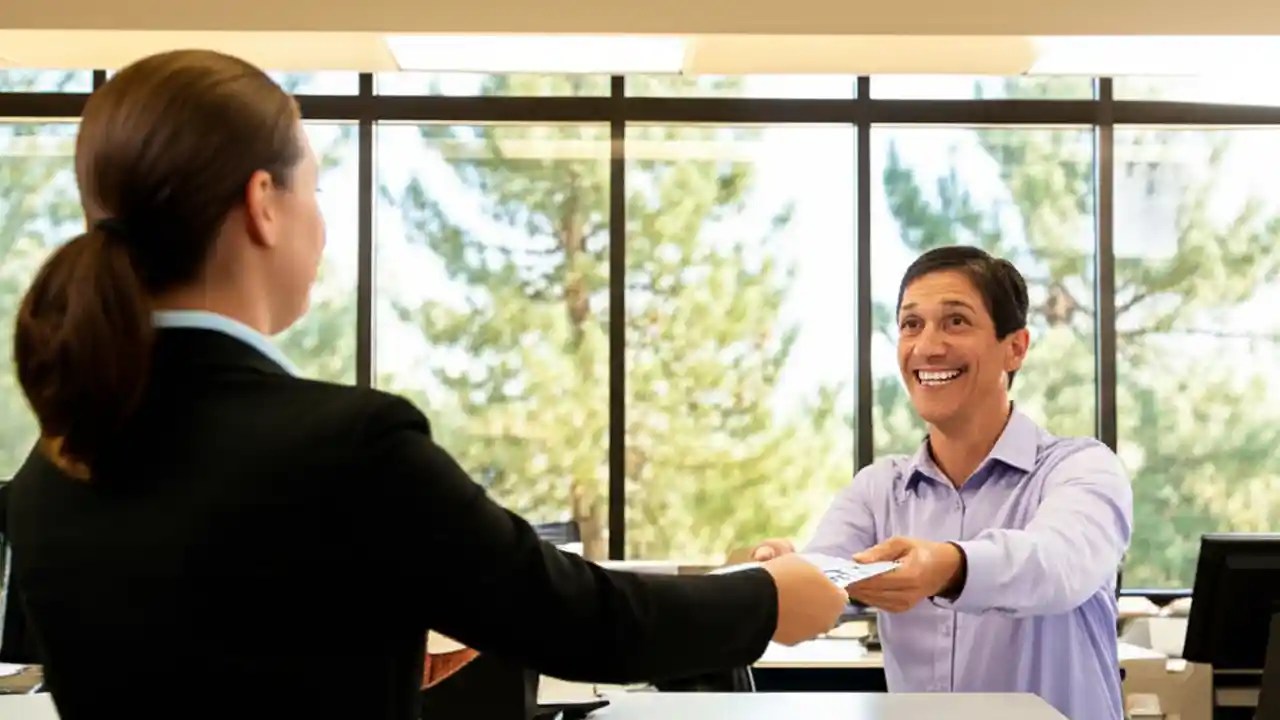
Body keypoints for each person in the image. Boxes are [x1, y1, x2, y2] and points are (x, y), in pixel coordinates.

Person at [4, 49, 849, 720]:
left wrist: (361, 650)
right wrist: (769, 599)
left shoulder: (55, 467)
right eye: (317, 188)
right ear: (263, 203)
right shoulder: (345, 445)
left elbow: (203, 656)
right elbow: (587, 624)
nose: (321, 220)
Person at [751, 246, 1133, 720]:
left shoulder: (1082, 469)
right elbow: (823, 580)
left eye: (955, 322)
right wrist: (781, 575)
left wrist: (948, 566)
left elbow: (1056, 566)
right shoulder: (877, 490)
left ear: (1015, 347)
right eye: (912, 324)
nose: (927, 347)